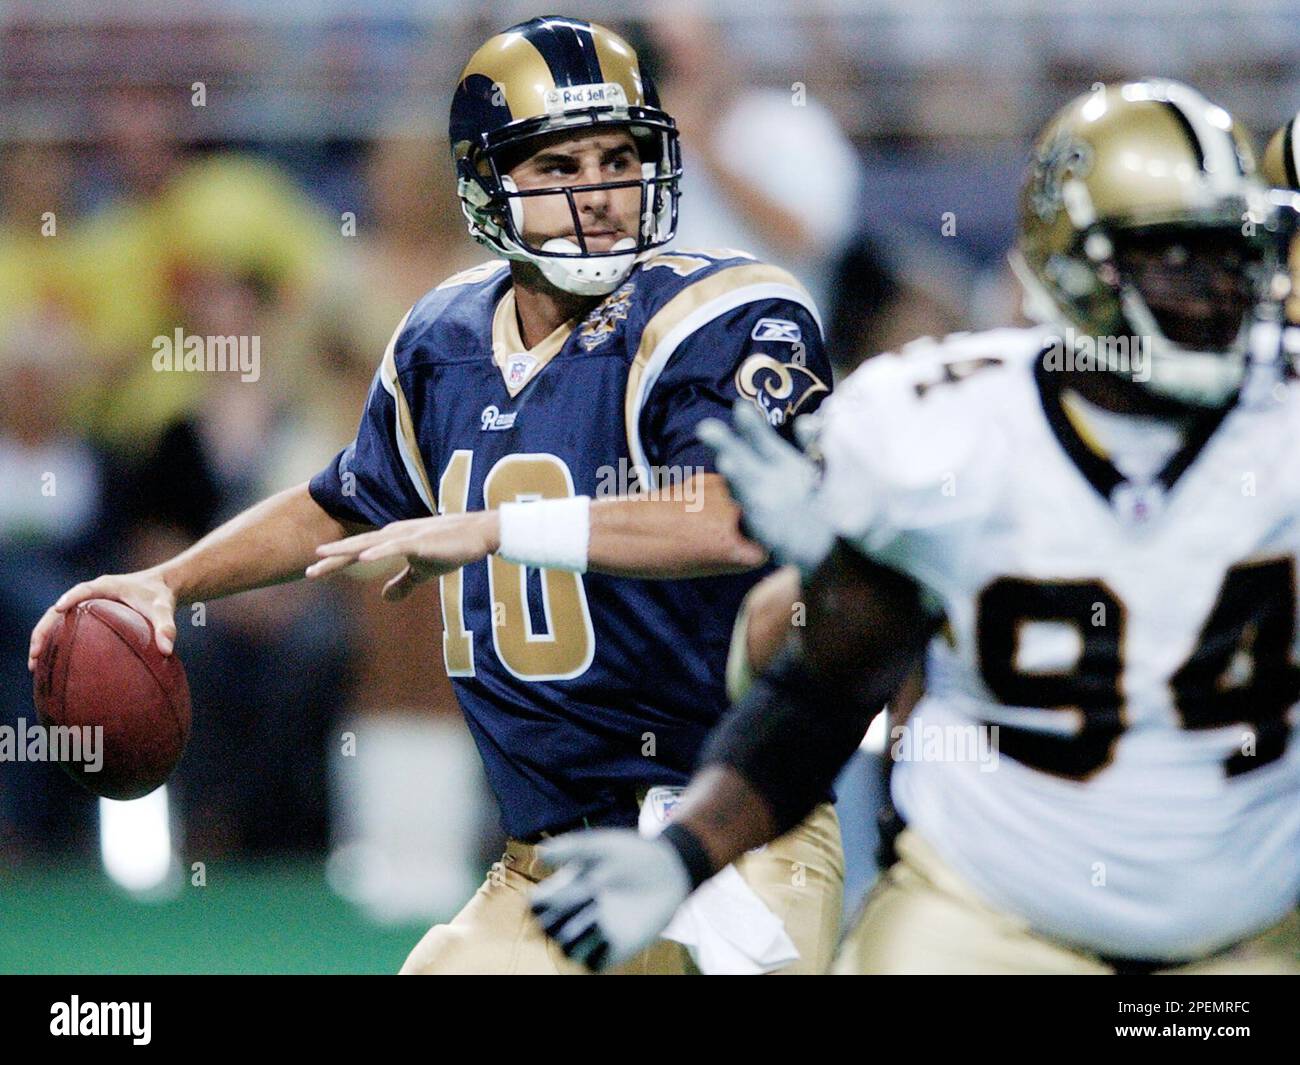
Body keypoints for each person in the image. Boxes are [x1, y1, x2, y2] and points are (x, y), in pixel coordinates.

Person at [29, 15, 841, 975]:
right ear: (487, 186)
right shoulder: (445, 336)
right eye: (558, 167)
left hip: (728, 835)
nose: (599, 195)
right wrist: (169, 582)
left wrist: (501, 526)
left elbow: (729, 520)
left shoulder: (726, 314)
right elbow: (342, 500)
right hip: (546, 863)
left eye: (617, 157)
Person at [531, 78, 1300, 975]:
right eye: (1176, 256)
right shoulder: (948, 427)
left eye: (1231, 255)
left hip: (1243, 943)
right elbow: (821, 692)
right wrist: (683, 853)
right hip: (988, 926)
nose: (1218, 290)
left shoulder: (1278, 422)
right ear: (1078, 267)